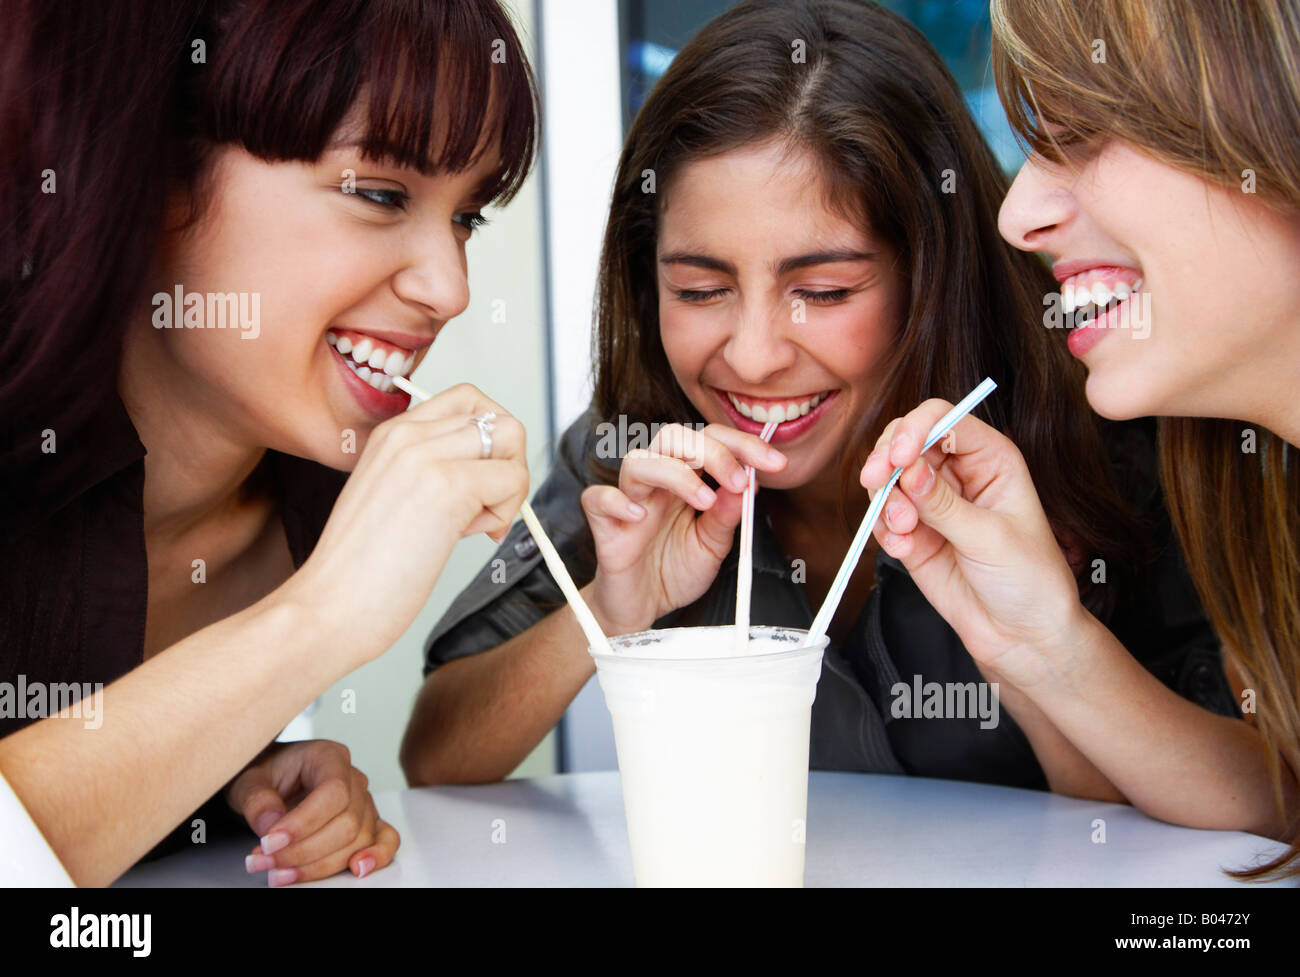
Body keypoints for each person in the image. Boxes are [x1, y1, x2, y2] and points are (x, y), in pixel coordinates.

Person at [401, 0, 1233, 801]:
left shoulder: (1106, 431)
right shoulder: (638, 453)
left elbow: (1246, 800)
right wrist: (613, 609)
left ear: (930, 280)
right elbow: (437, 752)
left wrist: (1041, 653)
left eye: (827, 291)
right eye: (698, 289)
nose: (755, 357)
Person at [0, 0, 536, 886]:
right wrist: (314, 621)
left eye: (466, 217)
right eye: (377, 193)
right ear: (159, 176)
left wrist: (232, 784)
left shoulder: (314, 491)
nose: (451, 287)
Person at [858, 0, 1300, 877]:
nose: (1017, 216)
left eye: (1083, 131)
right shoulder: (1259, 494)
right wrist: (1040, 644)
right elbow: (1282, 796)